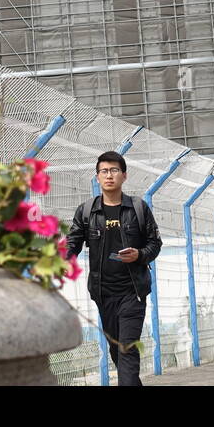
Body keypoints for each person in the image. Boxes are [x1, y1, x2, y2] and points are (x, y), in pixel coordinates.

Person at [64, 151, 163, 386]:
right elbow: (73, 242)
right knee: (117, 350)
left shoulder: (138, 208)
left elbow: (155, 243)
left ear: (124, 176)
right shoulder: (86, 211)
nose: (109, 175)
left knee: (127, 348)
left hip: (133, 292)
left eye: (114, 170)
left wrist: (139, 255)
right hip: (103, 293)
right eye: (104, 171)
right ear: (97, 177)